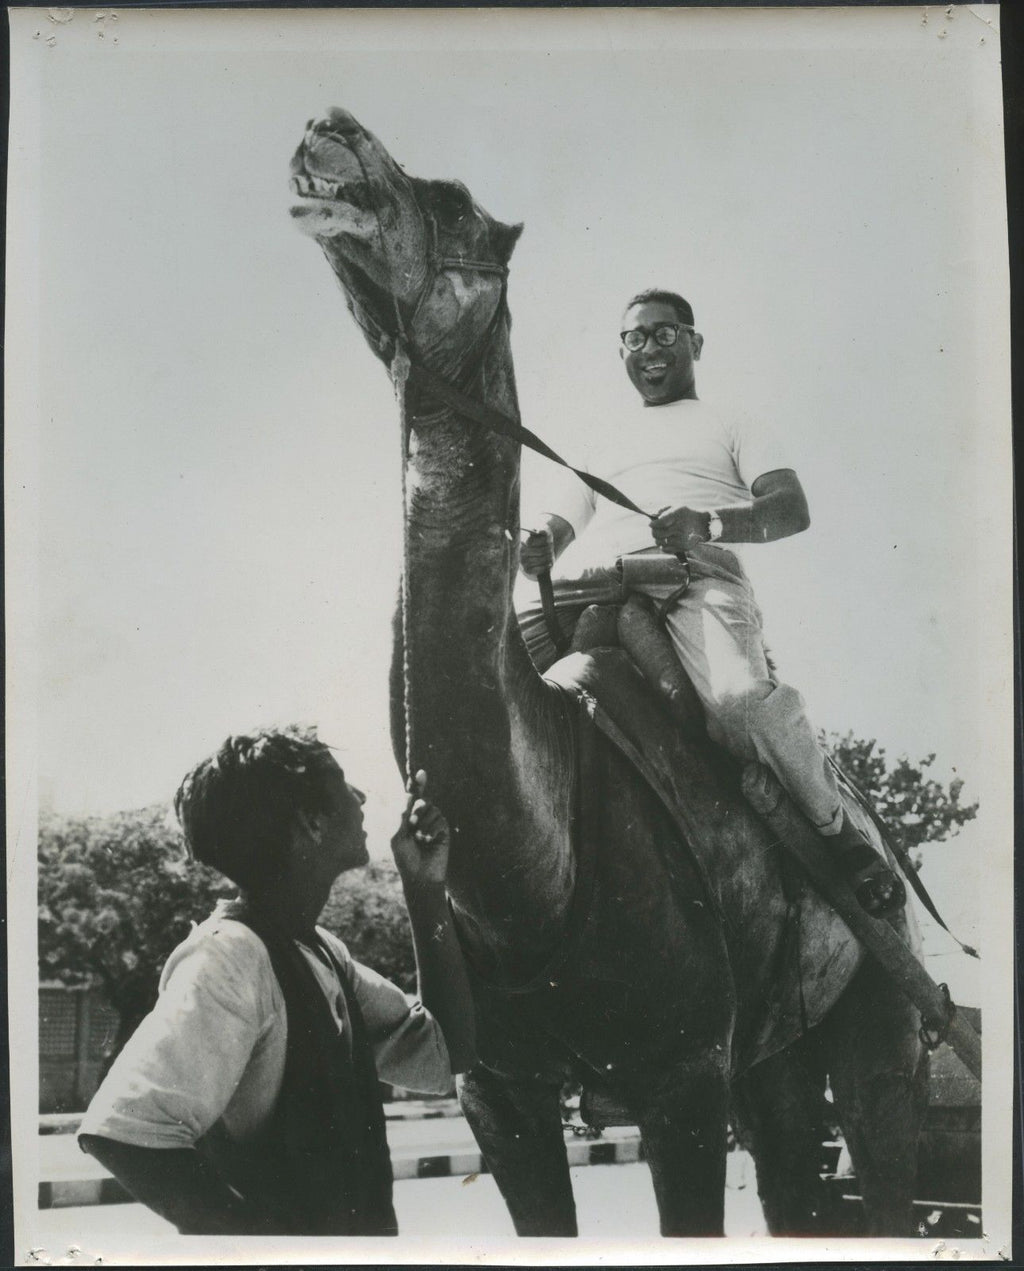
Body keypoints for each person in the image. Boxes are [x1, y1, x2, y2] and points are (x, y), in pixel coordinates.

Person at [518, 288, 904, 917]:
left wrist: (710, 524)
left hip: (693, 573)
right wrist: (538, 542)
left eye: (664, 334)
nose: (649, 349)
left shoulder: (733, 421)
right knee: (497, 670)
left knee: (739, 702)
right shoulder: (598, 436)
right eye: (635, 339)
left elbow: (791, 509)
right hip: (598, 579)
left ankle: (839, 833)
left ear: (694, 343)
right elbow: (559, 524)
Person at [77, 725, 476, 1236]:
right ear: (311, 822)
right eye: (343, 786)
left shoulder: (322, 953)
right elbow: (127, 1133)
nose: (359, 797)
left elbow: (449, 1052)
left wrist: (424, 887)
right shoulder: (232, 955)